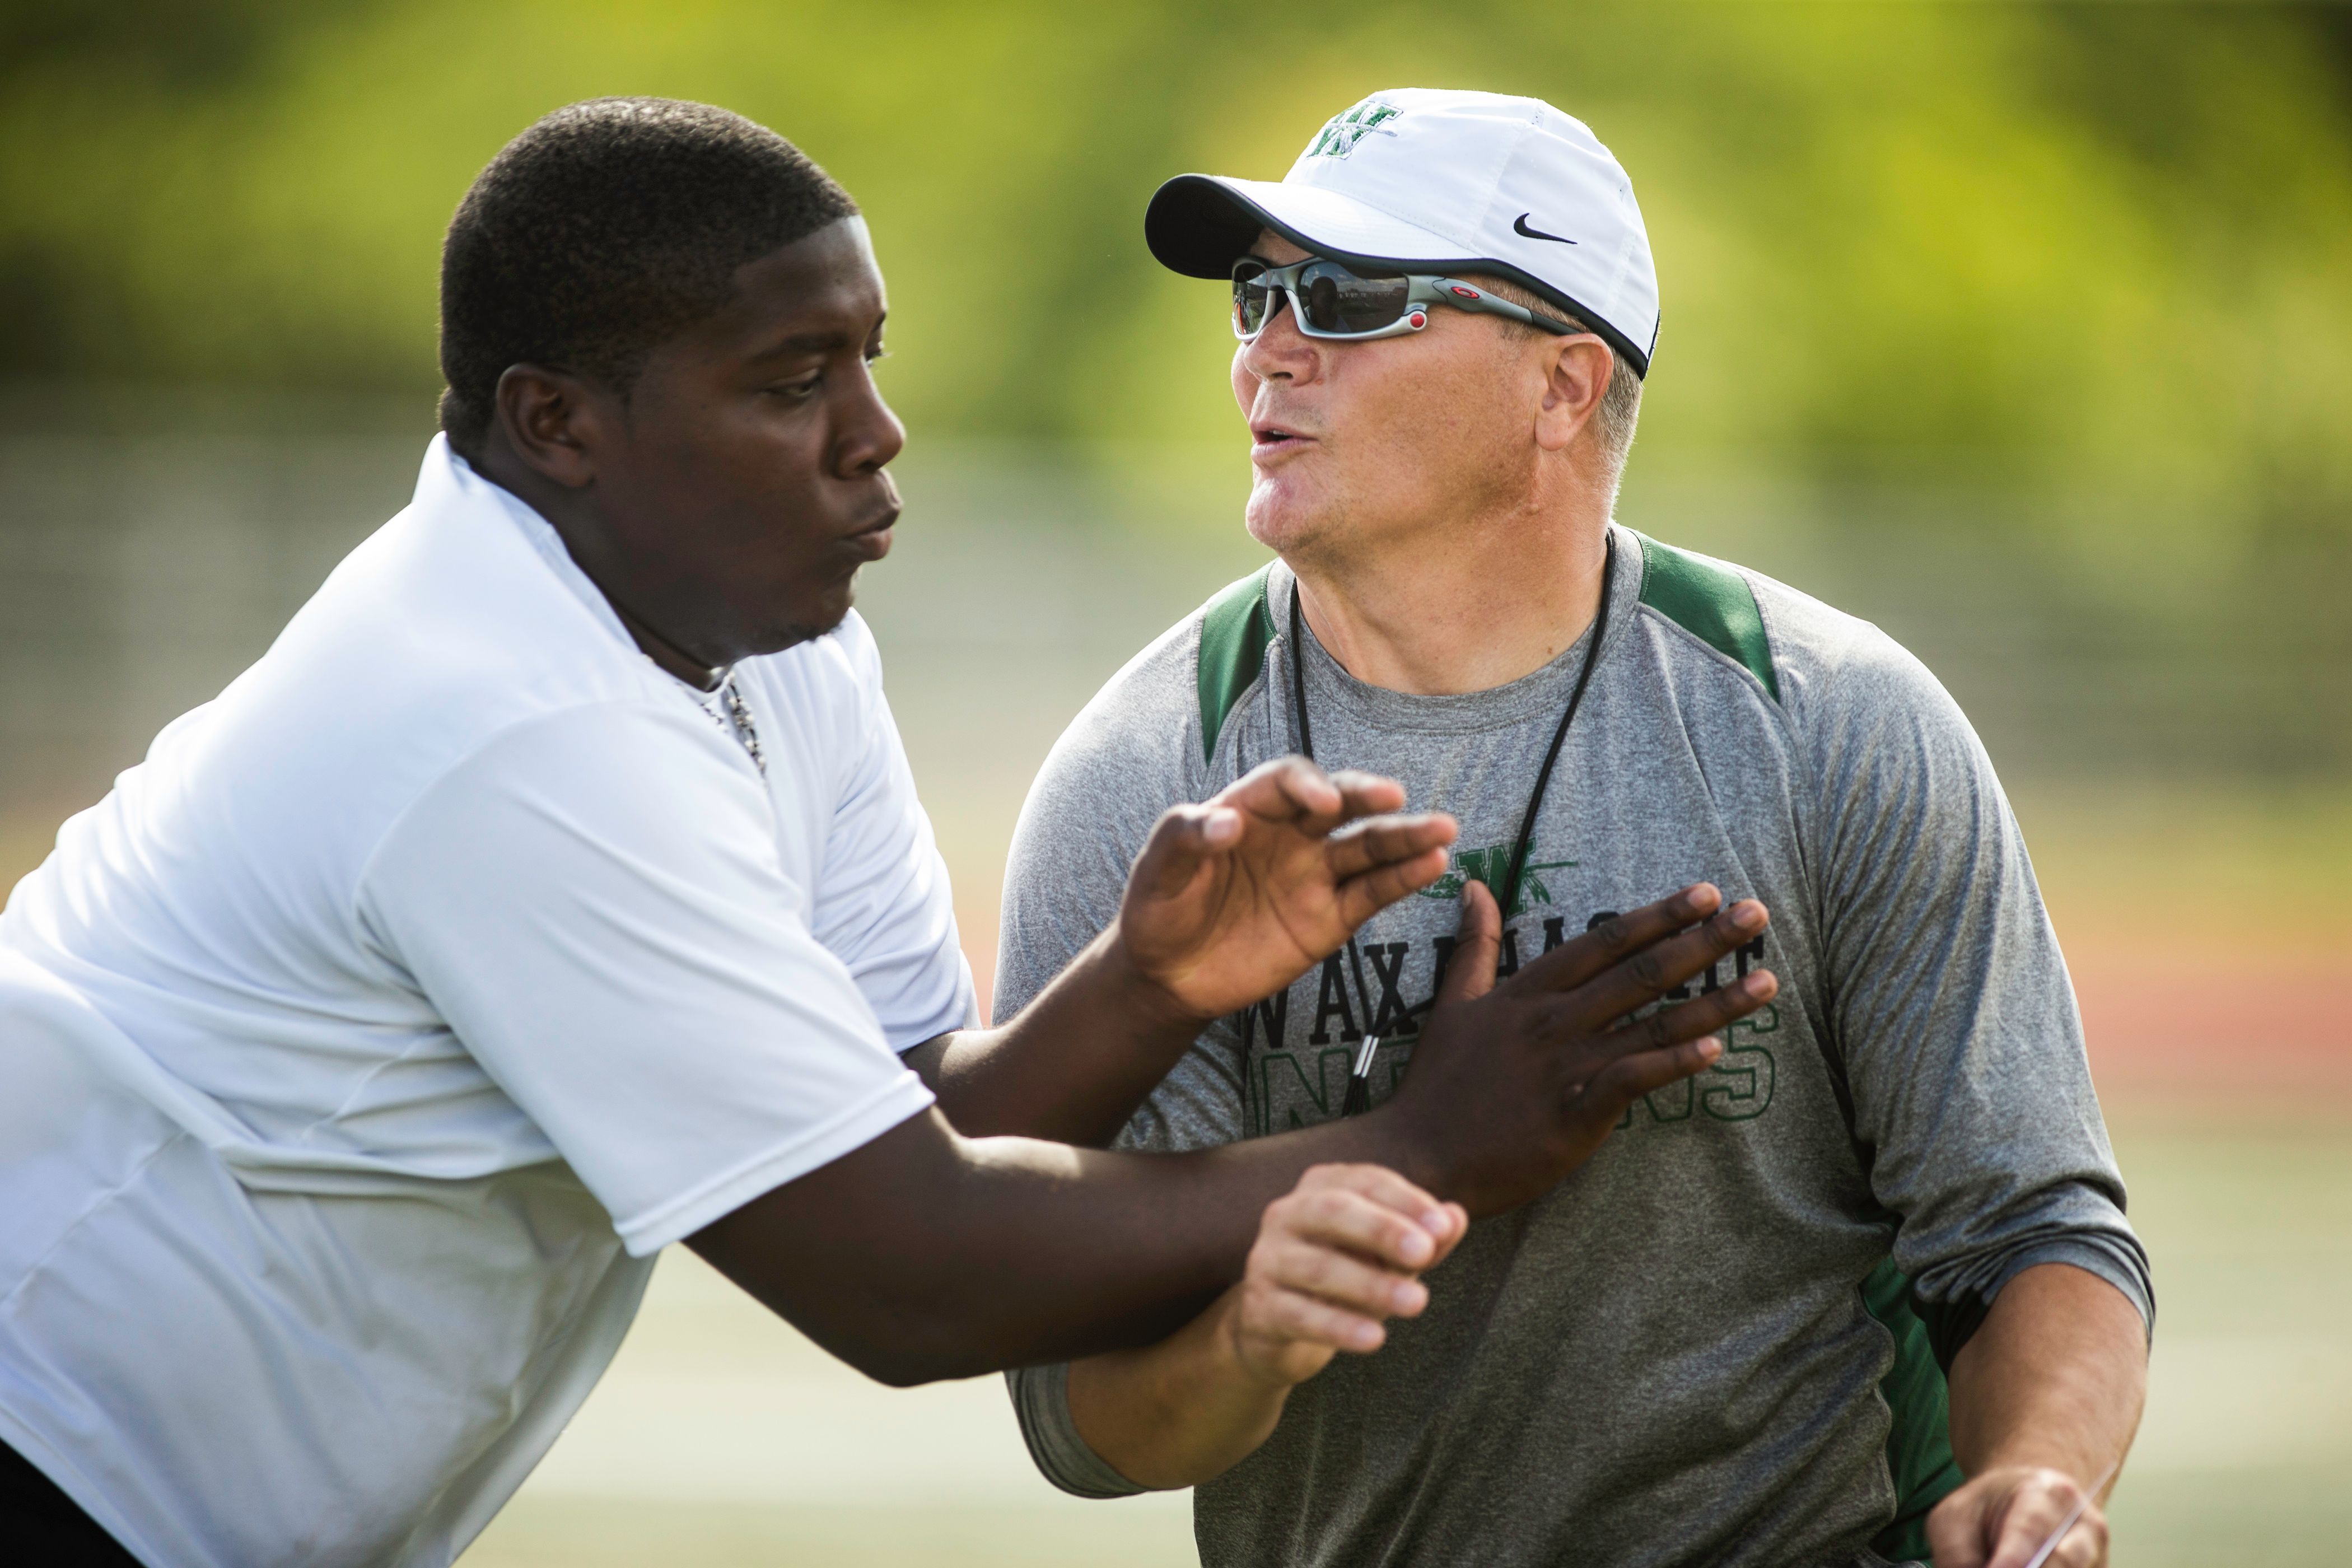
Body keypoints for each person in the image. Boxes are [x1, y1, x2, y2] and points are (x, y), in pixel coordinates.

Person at [0, 99, 1780, 1568]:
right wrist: (1428, 1145)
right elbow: (903, 1278)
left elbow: (918, 1119)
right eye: (793, 384)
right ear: (558, 427)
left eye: (869, 359)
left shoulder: (764, 634)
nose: (878, 434)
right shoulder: (501, 719)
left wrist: (1143, 990)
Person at [995, 90, 2153, 1568]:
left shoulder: (1831, 722)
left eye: (1347, 298)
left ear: (1562, 384)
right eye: (1256, 294)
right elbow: (1083, 1427)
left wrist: (2039, 1476)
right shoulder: (1143, 781)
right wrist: (1255, 1337)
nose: (1267, 353)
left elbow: (2037, 1234)